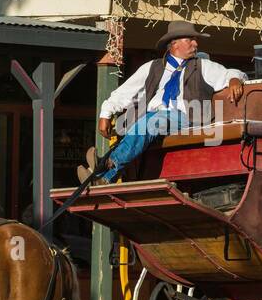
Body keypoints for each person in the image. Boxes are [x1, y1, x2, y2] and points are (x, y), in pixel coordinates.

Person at [80, 21, 246, 183]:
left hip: (188, 119)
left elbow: (231, 72)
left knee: (154, 120)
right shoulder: (152, 67)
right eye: (190, 39)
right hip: (154, 118)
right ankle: (102, 176)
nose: (196, 44)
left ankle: (108, 166)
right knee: (141, 123)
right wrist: (106, 113)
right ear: (174, 44)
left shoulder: (202, 65)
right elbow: (125, 92)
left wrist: (234, 79)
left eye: (195, 40)